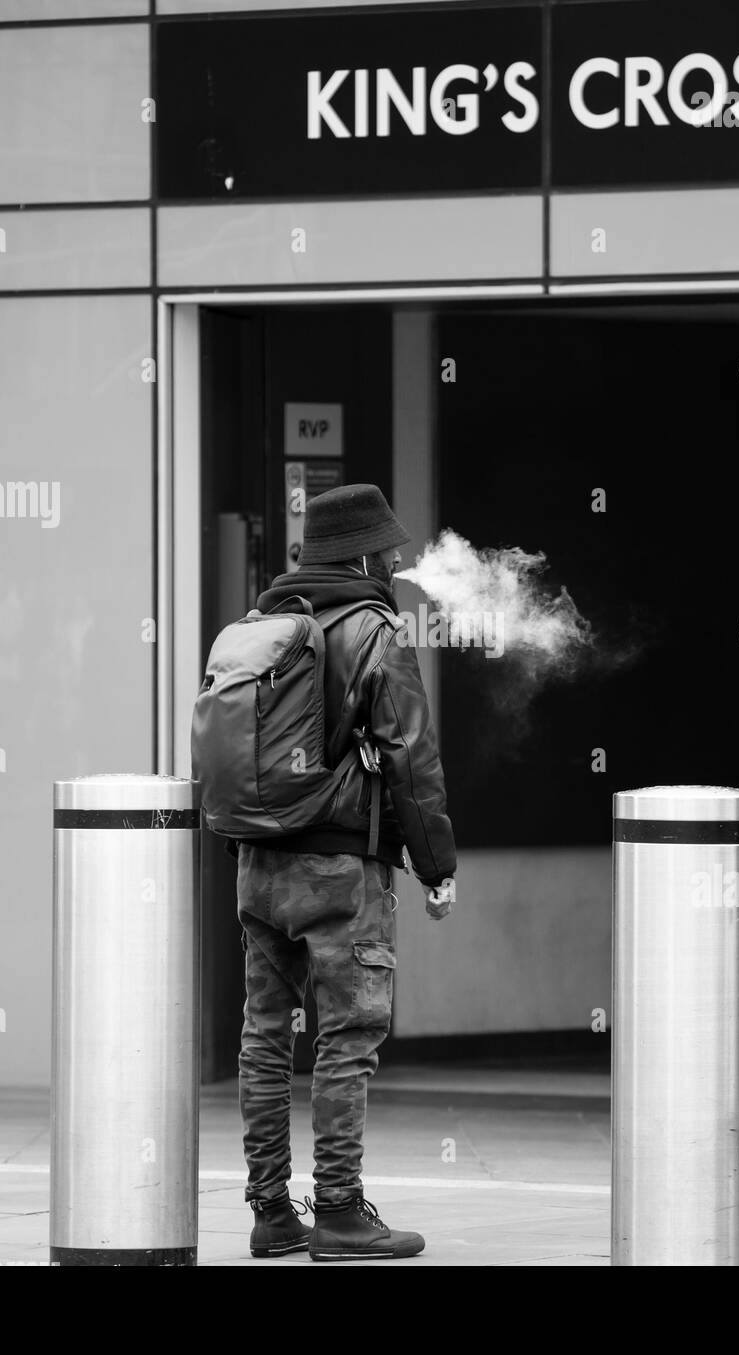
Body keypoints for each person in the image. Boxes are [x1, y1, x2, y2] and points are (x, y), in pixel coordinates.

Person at [236, 483, 457, 1262]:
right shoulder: (374, 630)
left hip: (259, 864)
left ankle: (270, 1212)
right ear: (364, 554)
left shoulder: (264, 623)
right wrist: (436, 866)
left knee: (265, 1037)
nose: (395, 563)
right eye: (388, 552)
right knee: (348, 1036)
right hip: (337, 871)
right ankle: (337, 1211)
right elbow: (410, 759)